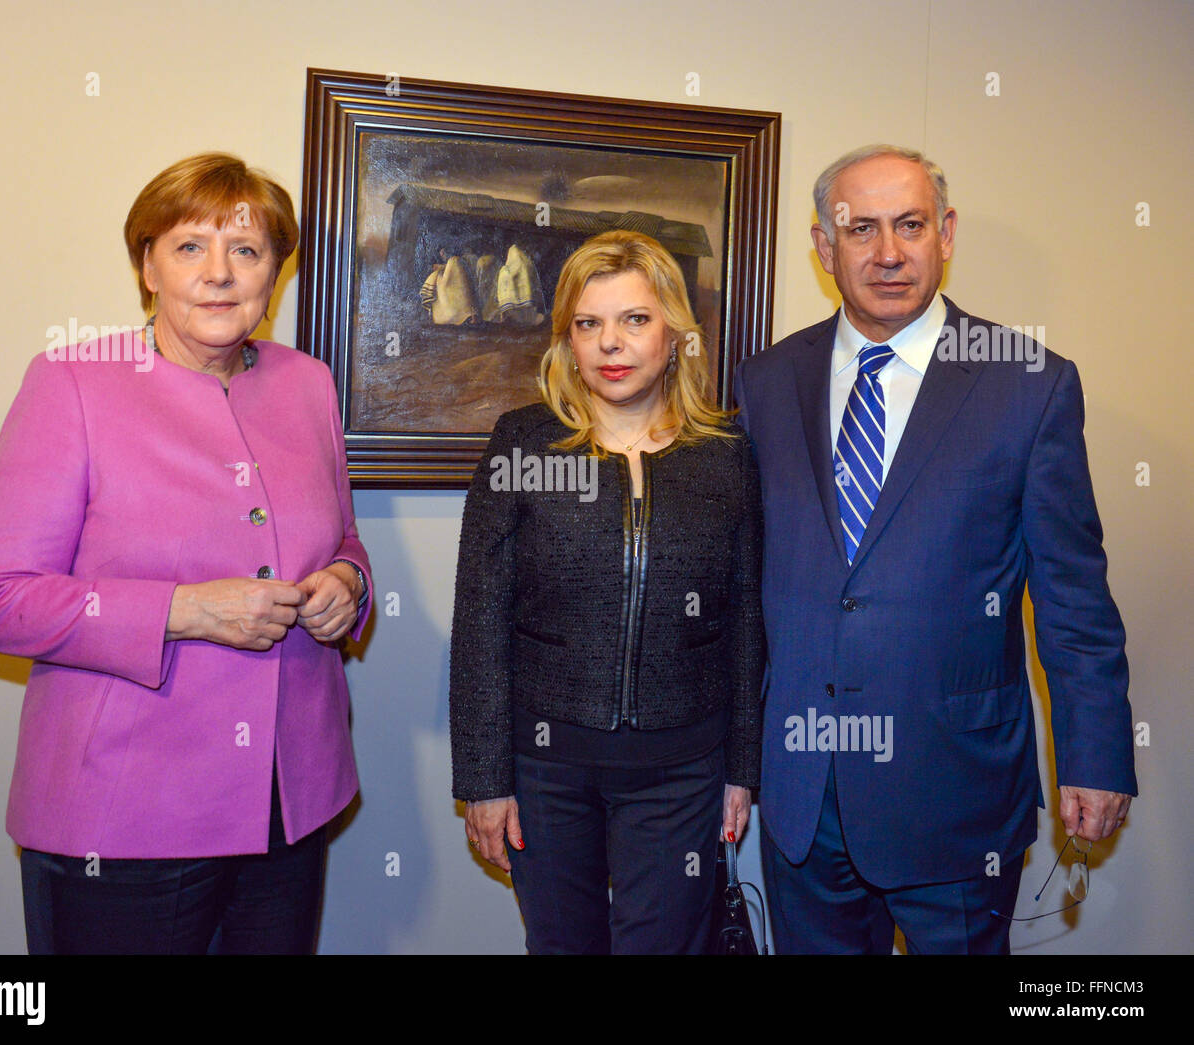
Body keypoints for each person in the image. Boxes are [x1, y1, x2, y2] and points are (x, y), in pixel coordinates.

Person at [0, 153, 372, 954]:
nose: (219, 274)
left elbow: (340, 535)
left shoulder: (307, 383)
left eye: (246, 251)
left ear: (275, 274)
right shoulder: (72, 381)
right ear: (147, 265)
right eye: (189, 247)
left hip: (288, 805)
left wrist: (347, 581)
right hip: (122, 816)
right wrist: (185, 609)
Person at [734, 144, 1136, 954]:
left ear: (945, 234)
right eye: (861, 229)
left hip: (955, 791)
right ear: (823, 247)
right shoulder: (765, 381)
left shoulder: (1031, 382)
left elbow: (1074, 597)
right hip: (803, 794)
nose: (888, 252)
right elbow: (741, 589)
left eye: (910, 225)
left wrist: (1094, 756)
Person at [449, 229, 763, 954]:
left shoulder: (725, 456)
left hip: (681, 770)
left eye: (635, 320)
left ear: (675, 333)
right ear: (567, 341)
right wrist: (484, 778)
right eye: (588, 324)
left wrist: (741, 767)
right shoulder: (523, 445)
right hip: (545, 767)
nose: (610, 344)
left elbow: (747, 619)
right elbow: (480, 618)